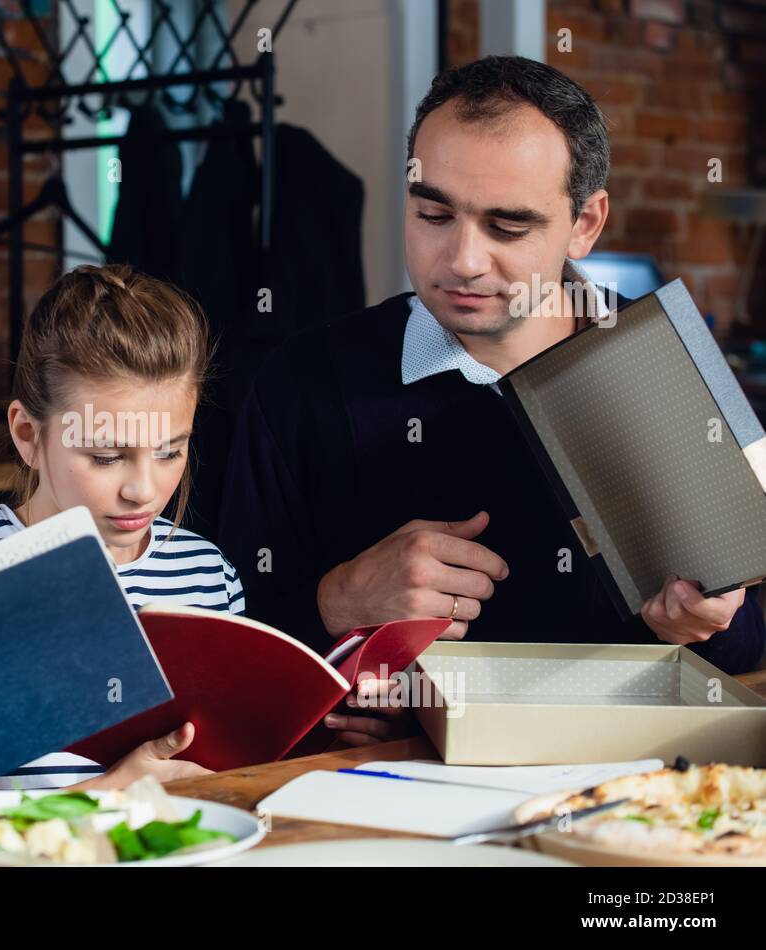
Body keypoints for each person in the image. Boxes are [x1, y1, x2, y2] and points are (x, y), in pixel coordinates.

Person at [218, 55, 766, 748]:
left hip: (619, 779)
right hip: (380, 800)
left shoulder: (665, 368)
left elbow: (746, 650)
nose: (464, 260)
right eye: (433, 213)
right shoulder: (300, 383)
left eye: (508, 227)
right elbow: (231, 653)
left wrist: (701, 623)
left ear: (586, 222)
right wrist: (340, 600)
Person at [0, 264, 240, 789]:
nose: (142, 489)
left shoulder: (208, 576)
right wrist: (108, 794)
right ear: (28, 434)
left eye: (171, 451)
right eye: (105, 456)